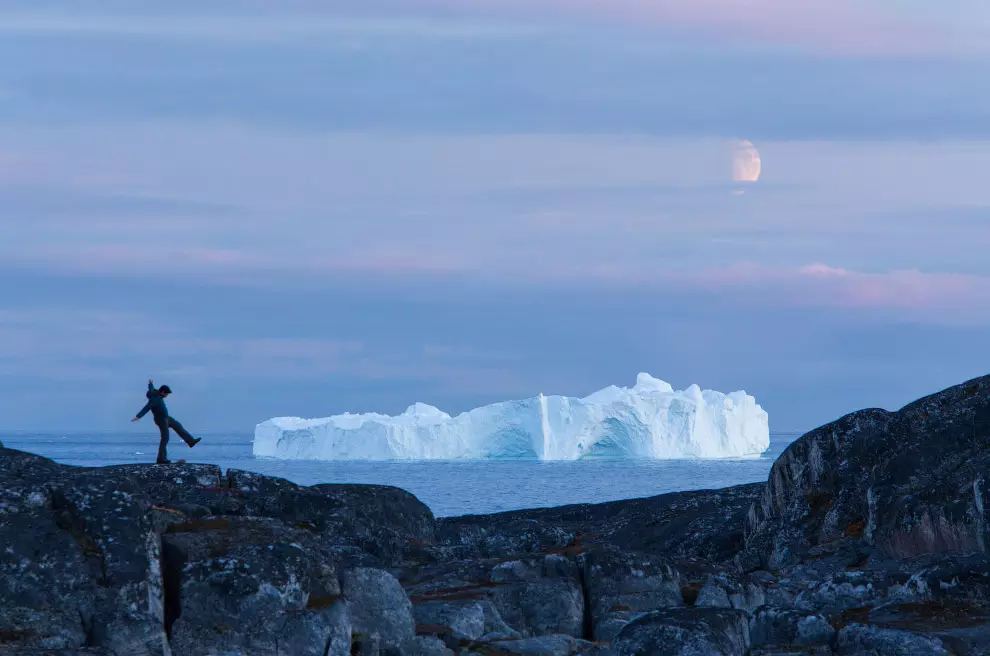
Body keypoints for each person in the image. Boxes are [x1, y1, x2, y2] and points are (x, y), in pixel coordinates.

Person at [132, 379, 201, 464]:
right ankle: (161, 459)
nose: (167, 395)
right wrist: (138, 416)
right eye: (167, 393)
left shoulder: (156, 393)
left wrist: (150, 384)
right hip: (161, 420)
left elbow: (151, 389)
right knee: (165, 438)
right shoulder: (155, 399)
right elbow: (147, 407)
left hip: (166, 418)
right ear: (162, 392)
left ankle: (191, 441)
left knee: (178, 426)